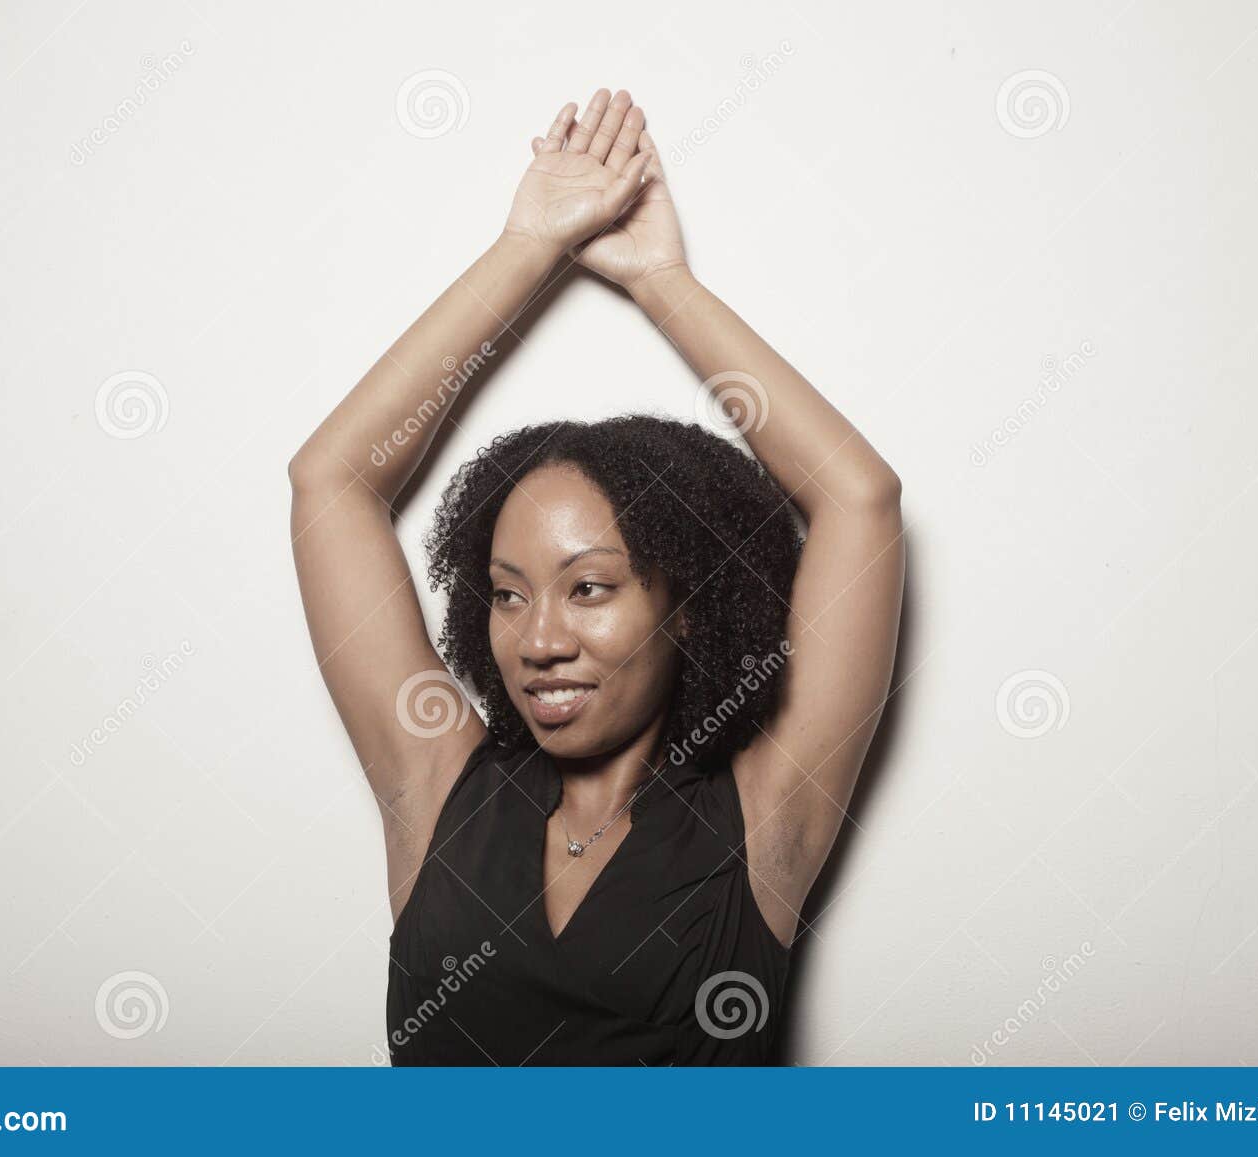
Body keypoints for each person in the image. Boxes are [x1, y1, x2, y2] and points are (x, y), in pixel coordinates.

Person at [288, 88, 904, 1064]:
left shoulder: (762, 808)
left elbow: (858, 497)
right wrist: (525, 244)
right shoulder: (438, 783)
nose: (538, 638)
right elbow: (331, 482)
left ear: (690, 608)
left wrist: (662, 279)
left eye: (589, 587)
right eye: (505, 590)